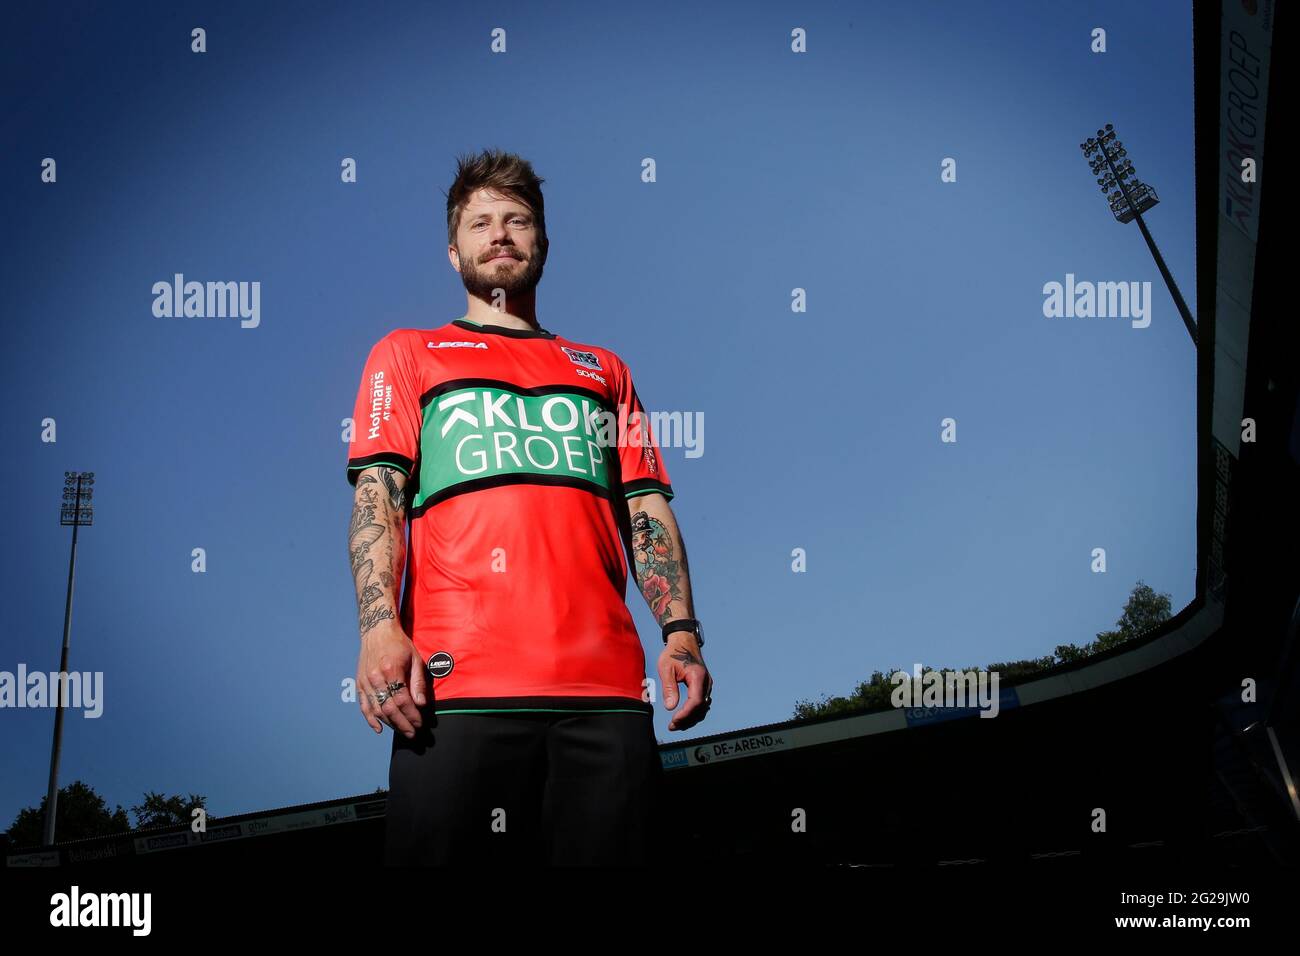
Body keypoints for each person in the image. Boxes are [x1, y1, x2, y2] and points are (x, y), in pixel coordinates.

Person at [344, 149, 712, 866]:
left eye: (517, 220)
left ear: (543, 241)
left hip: (606, 693)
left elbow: (645, 507)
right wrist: (378, 629)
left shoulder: (603, 370)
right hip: (457, 693)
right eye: (480, 223)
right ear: (454, 251)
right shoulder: (409, 354)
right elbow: (376, 498)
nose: (501, 234)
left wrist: (682, 633)